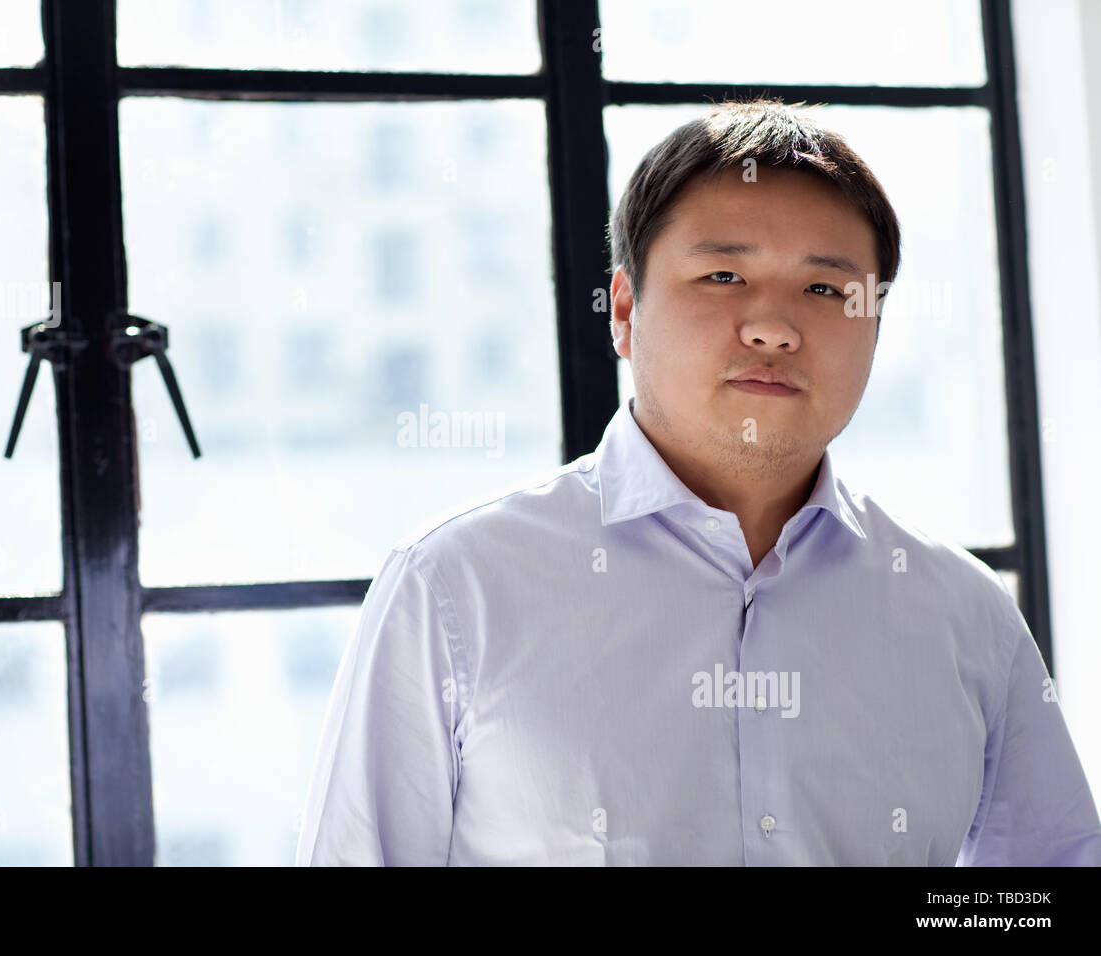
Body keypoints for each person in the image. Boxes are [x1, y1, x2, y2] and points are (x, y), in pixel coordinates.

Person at [295, 98, 1101, 866]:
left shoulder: (967, 616)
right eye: (723, 276)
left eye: (825, 289)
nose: (774, 327)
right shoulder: (452, 589)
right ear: (623, 310)